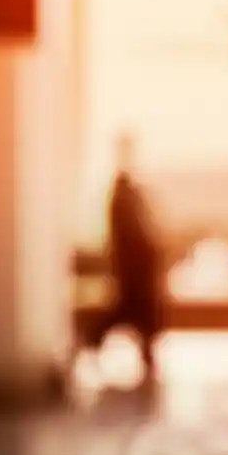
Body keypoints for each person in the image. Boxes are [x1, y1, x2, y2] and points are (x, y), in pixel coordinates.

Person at [87, 133, 165, 384]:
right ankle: (92, 343)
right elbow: (127, 234)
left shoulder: (127, 190)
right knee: (130, 311)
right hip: (133, 267)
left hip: (137, 266)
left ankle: (143, 356)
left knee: (135, 313)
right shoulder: (123, 192)